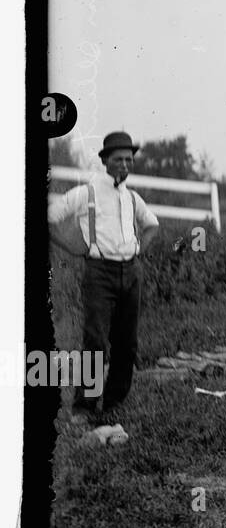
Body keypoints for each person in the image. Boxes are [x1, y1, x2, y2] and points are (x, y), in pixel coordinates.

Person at [47, 130, 160, 425]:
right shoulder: (88, 193)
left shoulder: (132, 197)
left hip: (130, 272)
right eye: (119, 159)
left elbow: (151, 226)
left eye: (129, 159)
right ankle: (84, 406)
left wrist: (137, 250)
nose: (125, 165)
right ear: (105, 161)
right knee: (95, 340)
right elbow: (50, 217)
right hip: (99, 273)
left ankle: (114, 402)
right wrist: (73, 246)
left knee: (127, 343)